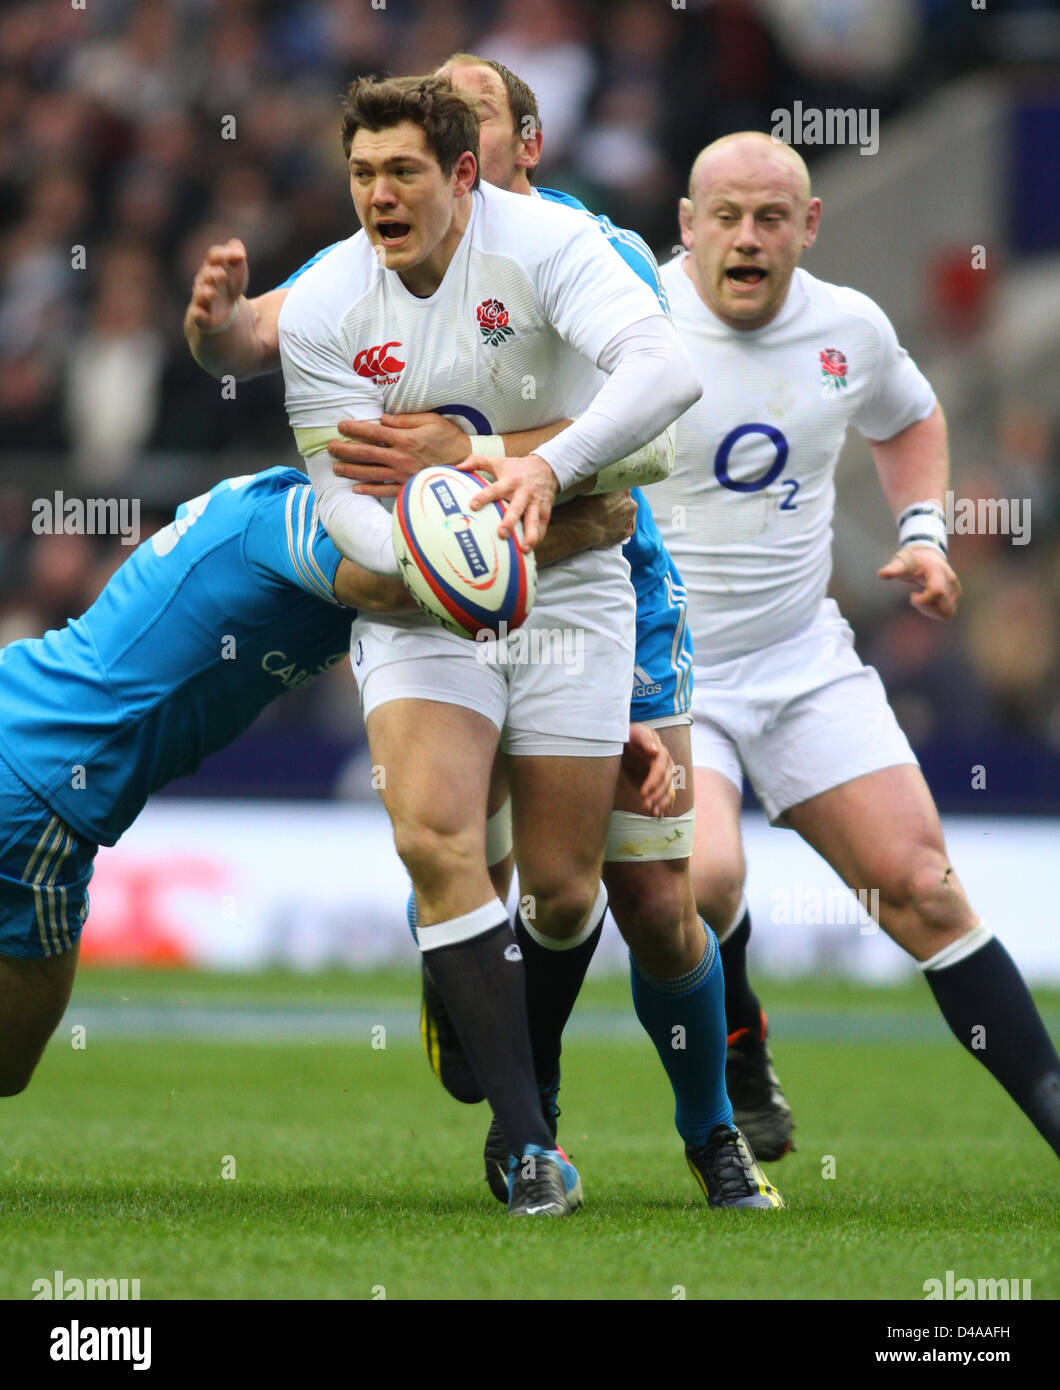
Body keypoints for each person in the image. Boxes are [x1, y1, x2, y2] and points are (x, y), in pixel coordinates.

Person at [185, 59, 783, 1211]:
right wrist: (445, 554)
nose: (377, 194)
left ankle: (705, 1123)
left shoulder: (561, 245)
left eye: (401, 169)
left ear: (470, 167)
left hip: (581, 587)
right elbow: (349, 494)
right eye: (360, 173)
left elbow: (664, 385)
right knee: (435, 838)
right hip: (431, 599)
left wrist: (524, 473)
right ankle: (525, 1140)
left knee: (578, 894)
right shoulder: (326, 298)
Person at [648, 130, 1060, 1162]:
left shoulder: (849, 327)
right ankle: (738, 1044)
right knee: (704, 881)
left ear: (807, 226)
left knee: (922, 887)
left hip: (798, 661)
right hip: (661, 674)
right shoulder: (627, 321)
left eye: (771, 218)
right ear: (687, 226)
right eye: (727, 217)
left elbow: (910, 419)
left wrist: (922, 534)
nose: (748, 238)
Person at [0, 465, 646, 1101]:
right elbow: (409, 585)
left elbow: (452, 614)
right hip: (40, 788)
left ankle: (442, 930)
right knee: (9, 1063)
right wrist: (578, 531)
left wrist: (594, 717)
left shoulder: (269, 509)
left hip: (24, 730)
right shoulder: (292, 518)